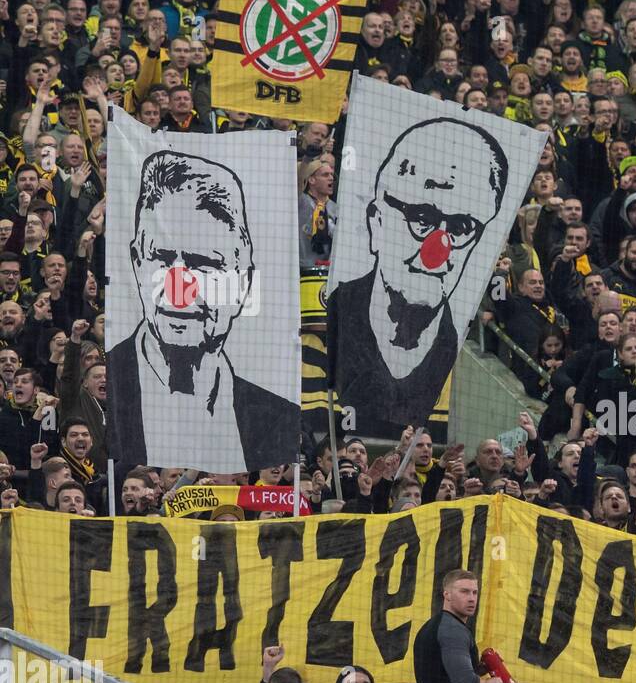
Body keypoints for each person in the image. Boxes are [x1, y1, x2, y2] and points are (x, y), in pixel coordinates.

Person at [107, 150, 298, 468]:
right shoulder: (108, 391)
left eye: (204, 263)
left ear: (243, 283)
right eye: (163, 257)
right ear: (137, 264)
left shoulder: (277, 418)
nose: (179, 286)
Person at [328, 119, 510, 438]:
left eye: (460, 227)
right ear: (377, 223)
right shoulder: (334, 317)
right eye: (422, 218)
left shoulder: (452, 352)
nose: (437, 249)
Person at [413, 569, 527, 683]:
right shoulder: (453, 630)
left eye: (474, 592)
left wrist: (478, 670)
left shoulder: (437, 625)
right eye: (464, 592)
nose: (472, 598)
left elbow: (443, 677)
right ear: (446, 594)